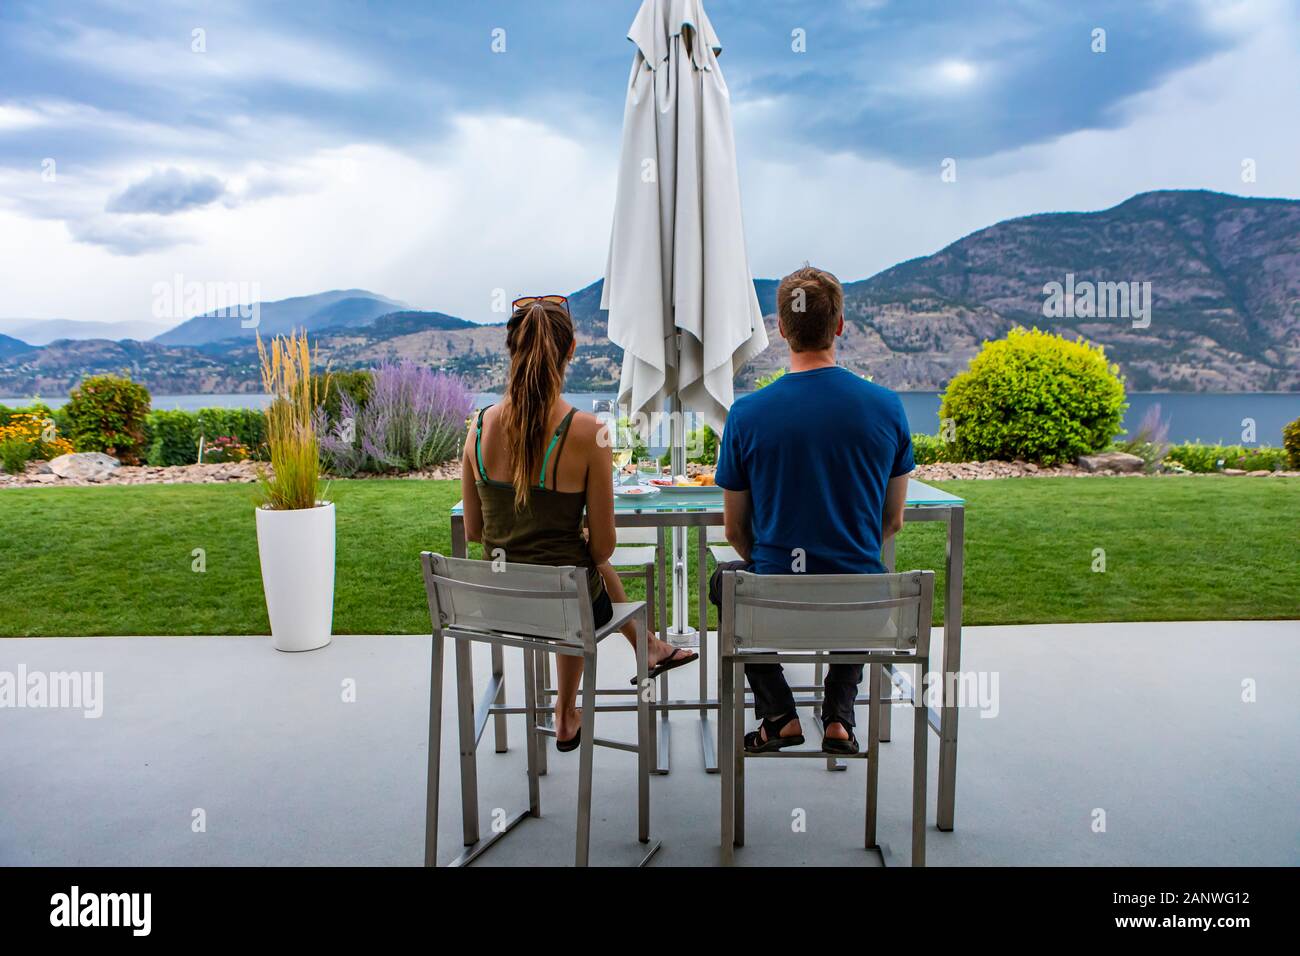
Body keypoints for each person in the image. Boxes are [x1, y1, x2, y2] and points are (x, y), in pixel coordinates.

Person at [460, 295, 697, 752]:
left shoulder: (477, 427)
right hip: (566, 606)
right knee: (582, 569)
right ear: (571, 352)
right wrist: (583, 535)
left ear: (512, 350)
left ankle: (640, 650)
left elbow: (473, 531)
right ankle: (568, 709)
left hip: (500, 605)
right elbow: (604, 548)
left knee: (573, 570)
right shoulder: (590, 431)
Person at [710, 266, 914, 755]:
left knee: (726, 581)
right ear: (839, 324)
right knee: (863, 569)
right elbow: (892, 522)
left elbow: (736, 531)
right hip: (860, 611)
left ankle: (779, 713)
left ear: (781, 329)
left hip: (772, 608)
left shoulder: (747, 415)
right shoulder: (887, 407)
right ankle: (840, 717)